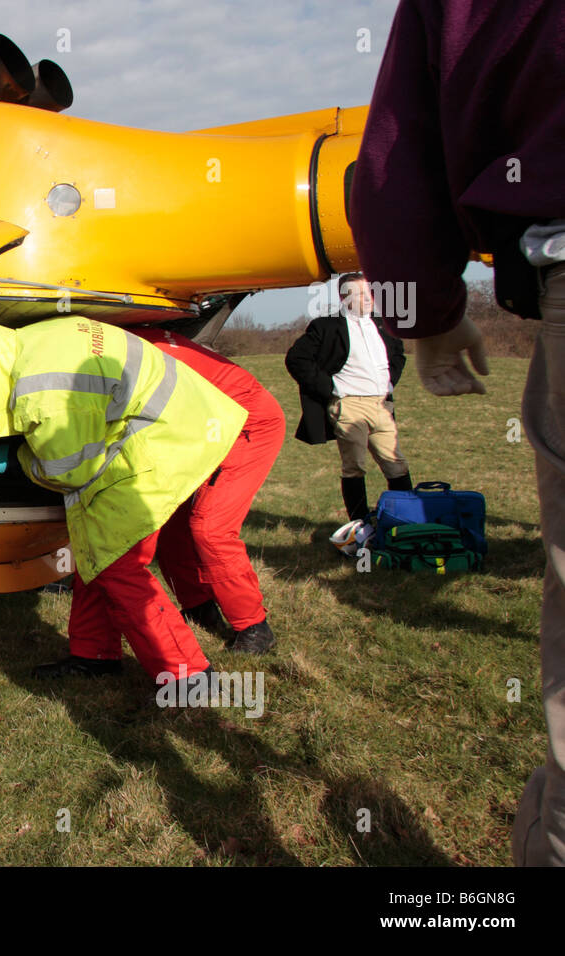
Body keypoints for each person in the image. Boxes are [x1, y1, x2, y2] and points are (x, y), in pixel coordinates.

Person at [347, 0, 564, 866]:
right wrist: (330, 397)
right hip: (346, 408)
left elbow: (397, 153)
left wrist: (418, 323)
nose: (360, 301)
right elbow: (311, 365)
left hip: (384, 397)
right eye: (358, 296)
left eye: (365, 296)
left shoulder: (372, 325)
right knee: (360, 465)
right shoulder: (331, 332)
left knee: (394, 459)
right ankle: (367, 519)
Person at [0, 318, 247, 690]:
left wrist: (15, 459)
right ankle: (94, 655)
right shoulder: (25, 342)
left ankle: (189, 676)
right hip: (177, 418)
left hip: (166, 441)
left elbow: (69, 472)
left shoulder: (38, 395)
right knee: (94, 546)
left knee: (117, 564)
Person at [133, 328, 286, 654]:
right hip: (207, 425)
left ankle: (254, 627)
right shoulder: (121, 338)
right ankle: (198, 605)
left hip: (248, 424)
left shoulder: (126, 349)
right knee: (171, 521)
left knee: (209, 528)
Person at [285, 273, 413, 521]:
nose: (369, 299)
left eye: (371, 293)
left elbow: (398, 355)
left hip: (382, 406)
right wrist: (332, 388)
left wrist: (389, 383)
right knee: (355, 467)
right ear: (344, 298)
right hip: (349, 406)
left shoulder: (382, 324)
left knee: (396, 464)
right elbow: (296, 359)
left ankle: (406, 520)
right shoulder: (326, 326)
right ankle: (360, 524)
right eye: (361, 294)